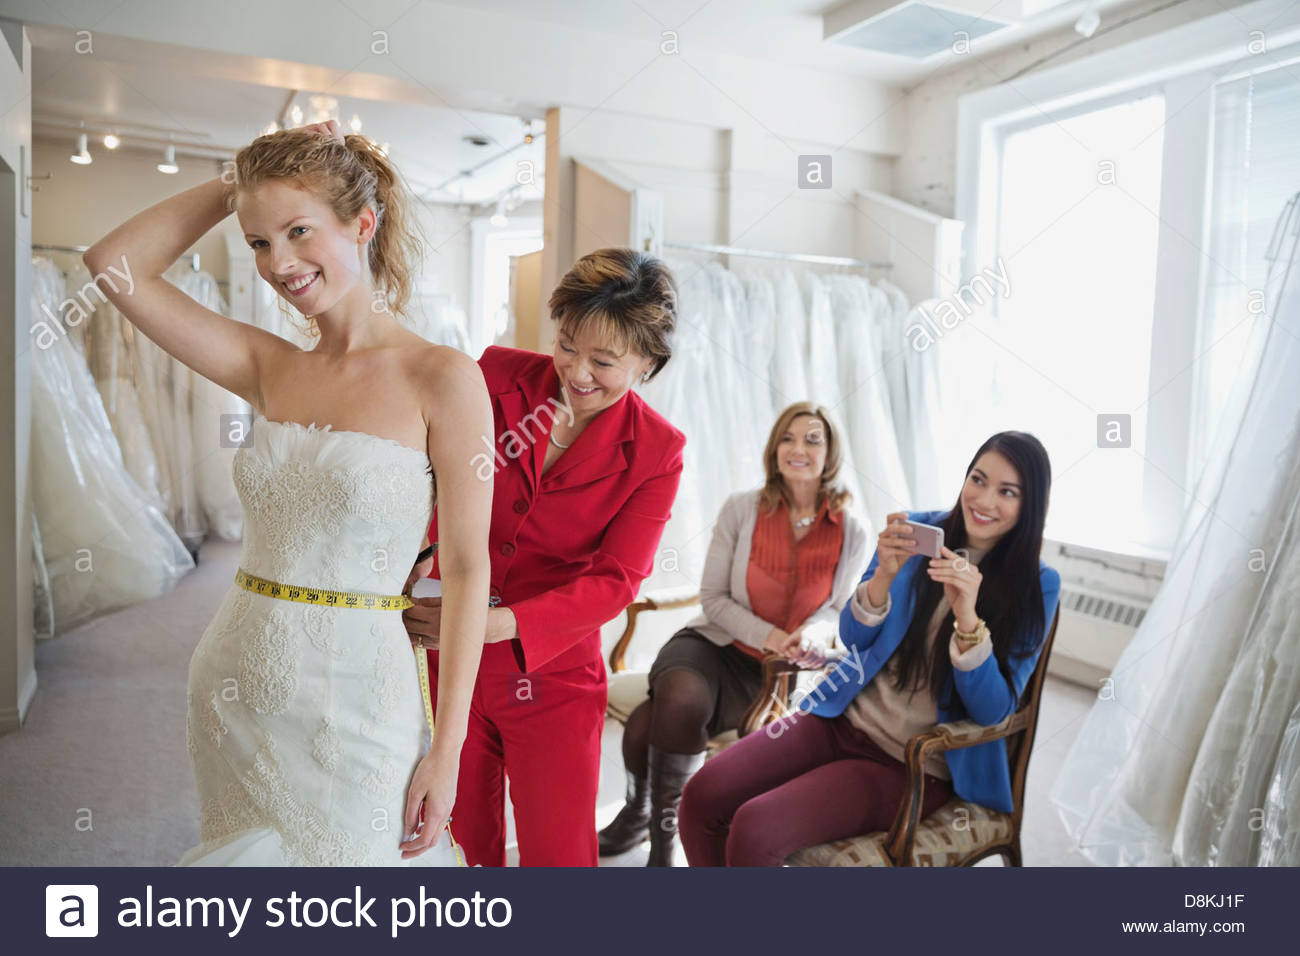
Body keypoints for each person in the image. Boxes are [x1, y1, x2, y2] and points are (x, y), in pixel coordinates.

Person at [83, 119, 493, 866]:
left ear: (362, 223)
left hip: (359, 698)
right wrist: (234, 182)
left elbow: (467, 569)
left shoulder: (443, 377)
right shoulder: (269, 364)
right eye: (260, 242)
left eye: (300, 231)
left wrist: (450, 746)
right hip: (234, 680)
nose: (280, 262)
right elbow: (113, 265)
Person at [403, 248, 685, 866]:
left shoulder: (658, 451)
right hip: (446, 657)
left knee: (559, 855)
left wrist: (494, 624)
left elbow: (616, 579)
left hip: (551, 671)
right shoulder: (494, 375)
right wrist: (419, 559)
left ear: (648, 362)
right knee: (457, 844)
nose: (576, 372)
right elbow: (425, 477)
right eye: (567, 345)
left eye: (604, 361)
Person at [679, 431, 1061, 866]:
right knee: (702, 793)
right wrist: (881, 580)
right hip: (838, 719)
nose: (985, 500)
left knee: (755, 827)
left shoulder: (1038, 584)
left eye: (1007, 492)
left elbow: (994, 710)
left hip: (908, 765)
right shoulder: (920, 531)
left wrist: (968, 619)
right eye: (978, 479)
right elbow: (854, 640)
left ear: (1029, 505)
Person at [598, 402, 869, 865]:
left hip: (773, 674)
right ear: (774, 448)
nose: (797, 448)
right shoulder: (743, 508)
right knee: (681, 698)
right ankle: (664, 853)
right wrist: (770, 635)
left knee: (647, 722)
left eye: (812, 439)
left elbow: (838, 610)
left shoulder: (852, 529)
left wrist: (809, 632)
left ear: (831, 454)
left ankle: (638, 817)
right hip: (710, 644)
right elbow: (714, 598)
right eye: (787, 437)